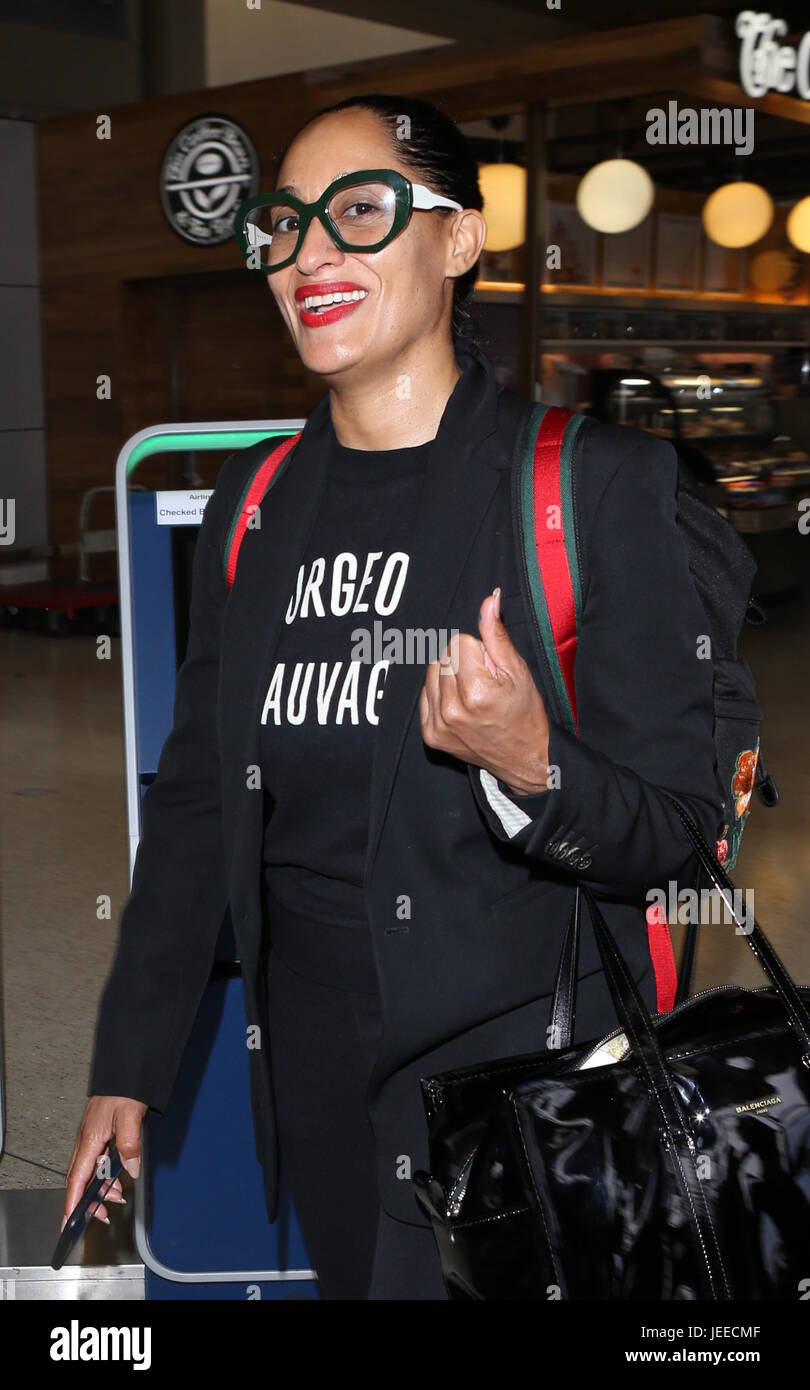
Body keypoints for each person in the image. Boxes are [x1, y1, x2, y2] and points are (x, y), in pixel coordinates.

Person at [65, 93, 722, 1300]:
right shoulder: (250, 507)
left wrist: (534, 764)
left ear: (460, 240)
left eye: (358, 212)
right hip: (314, 1070)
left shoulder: (597, 488)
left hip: (520, 1081)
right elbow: (203, 798)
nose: (308, 252)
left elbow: (687, 834)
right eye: (283, 224)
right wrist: (129, 1061)